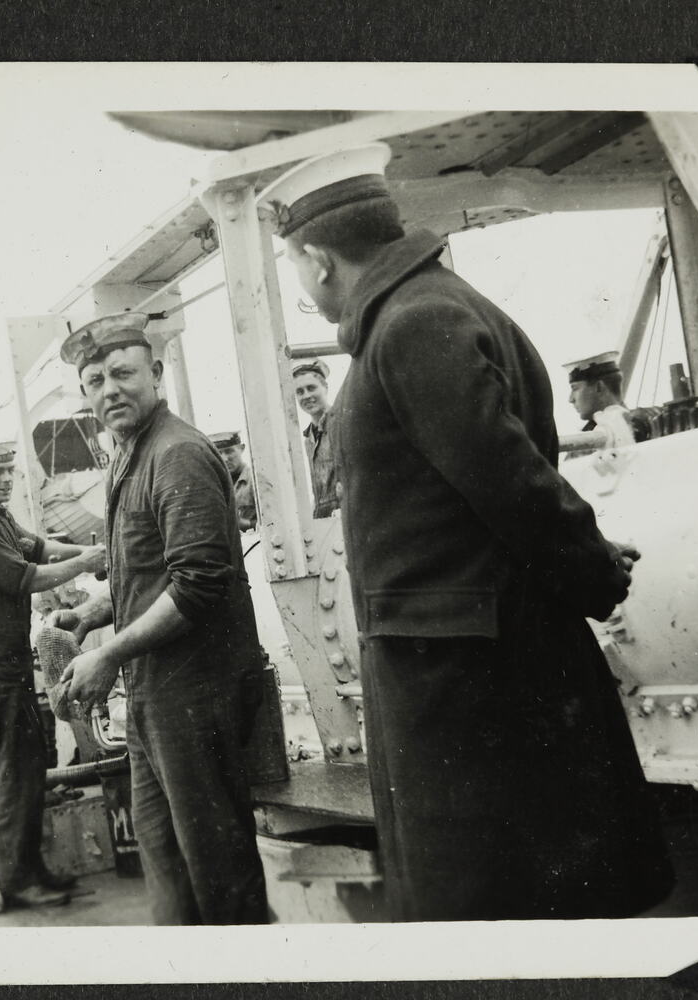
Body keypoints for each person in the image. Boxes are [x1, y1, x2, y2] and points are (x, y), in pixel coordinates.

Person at [264, 142, 673, 922]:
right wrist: (584, 562)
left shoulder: (413, 325)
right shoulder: (433, 309)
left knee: (491, 909)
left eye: (295, 267)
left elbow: (510, 482)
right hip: (475, 666)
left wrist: (594, 570)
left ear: (316, 260)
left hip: (464, 686)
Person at [57, 312, 269, 925]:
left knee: (216, 866)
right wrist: (94, 612)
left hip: (197, 693)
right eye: (95, 381)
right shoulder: (129, 454)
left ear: (155, 372)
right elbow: (150, 573)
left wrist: (109, 653)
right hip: (156, 693)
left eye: (123, 374)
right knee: (165, 856)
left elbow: (198, 584)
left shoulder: (176, 453)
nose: (110, 390)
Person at [0, 439, 108, 908]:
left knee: (32, 763)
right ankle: (18, 880)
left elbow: (39, 548)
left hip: (6, 664)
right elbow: (25, 577)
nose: (5, 479)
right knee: (16, 772)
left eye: (9, 471)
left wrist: (91, 550)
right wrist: (87, 563)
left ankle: (33, 869)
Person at [564, 350, 653, 443]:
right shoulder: (635, 426)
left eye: (575, 388)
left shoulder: (616, 429)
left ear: (599, 387)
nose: (571, 399)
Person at [291, 360, 339, 517]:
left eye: (311, 388)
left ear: (325, 388)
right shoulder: (309, 438)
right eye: (299, 392)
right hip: (324, 518)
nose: (306, 396)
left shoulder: (341, 423)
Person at [207, 430, 257, 532]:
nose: (225, 458)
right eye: (219, 453)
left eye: (229, 451)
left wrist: (246, 524)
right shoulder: (212, 485)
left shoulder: (255, 480)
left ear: (241, 448)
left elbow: (274, 523)